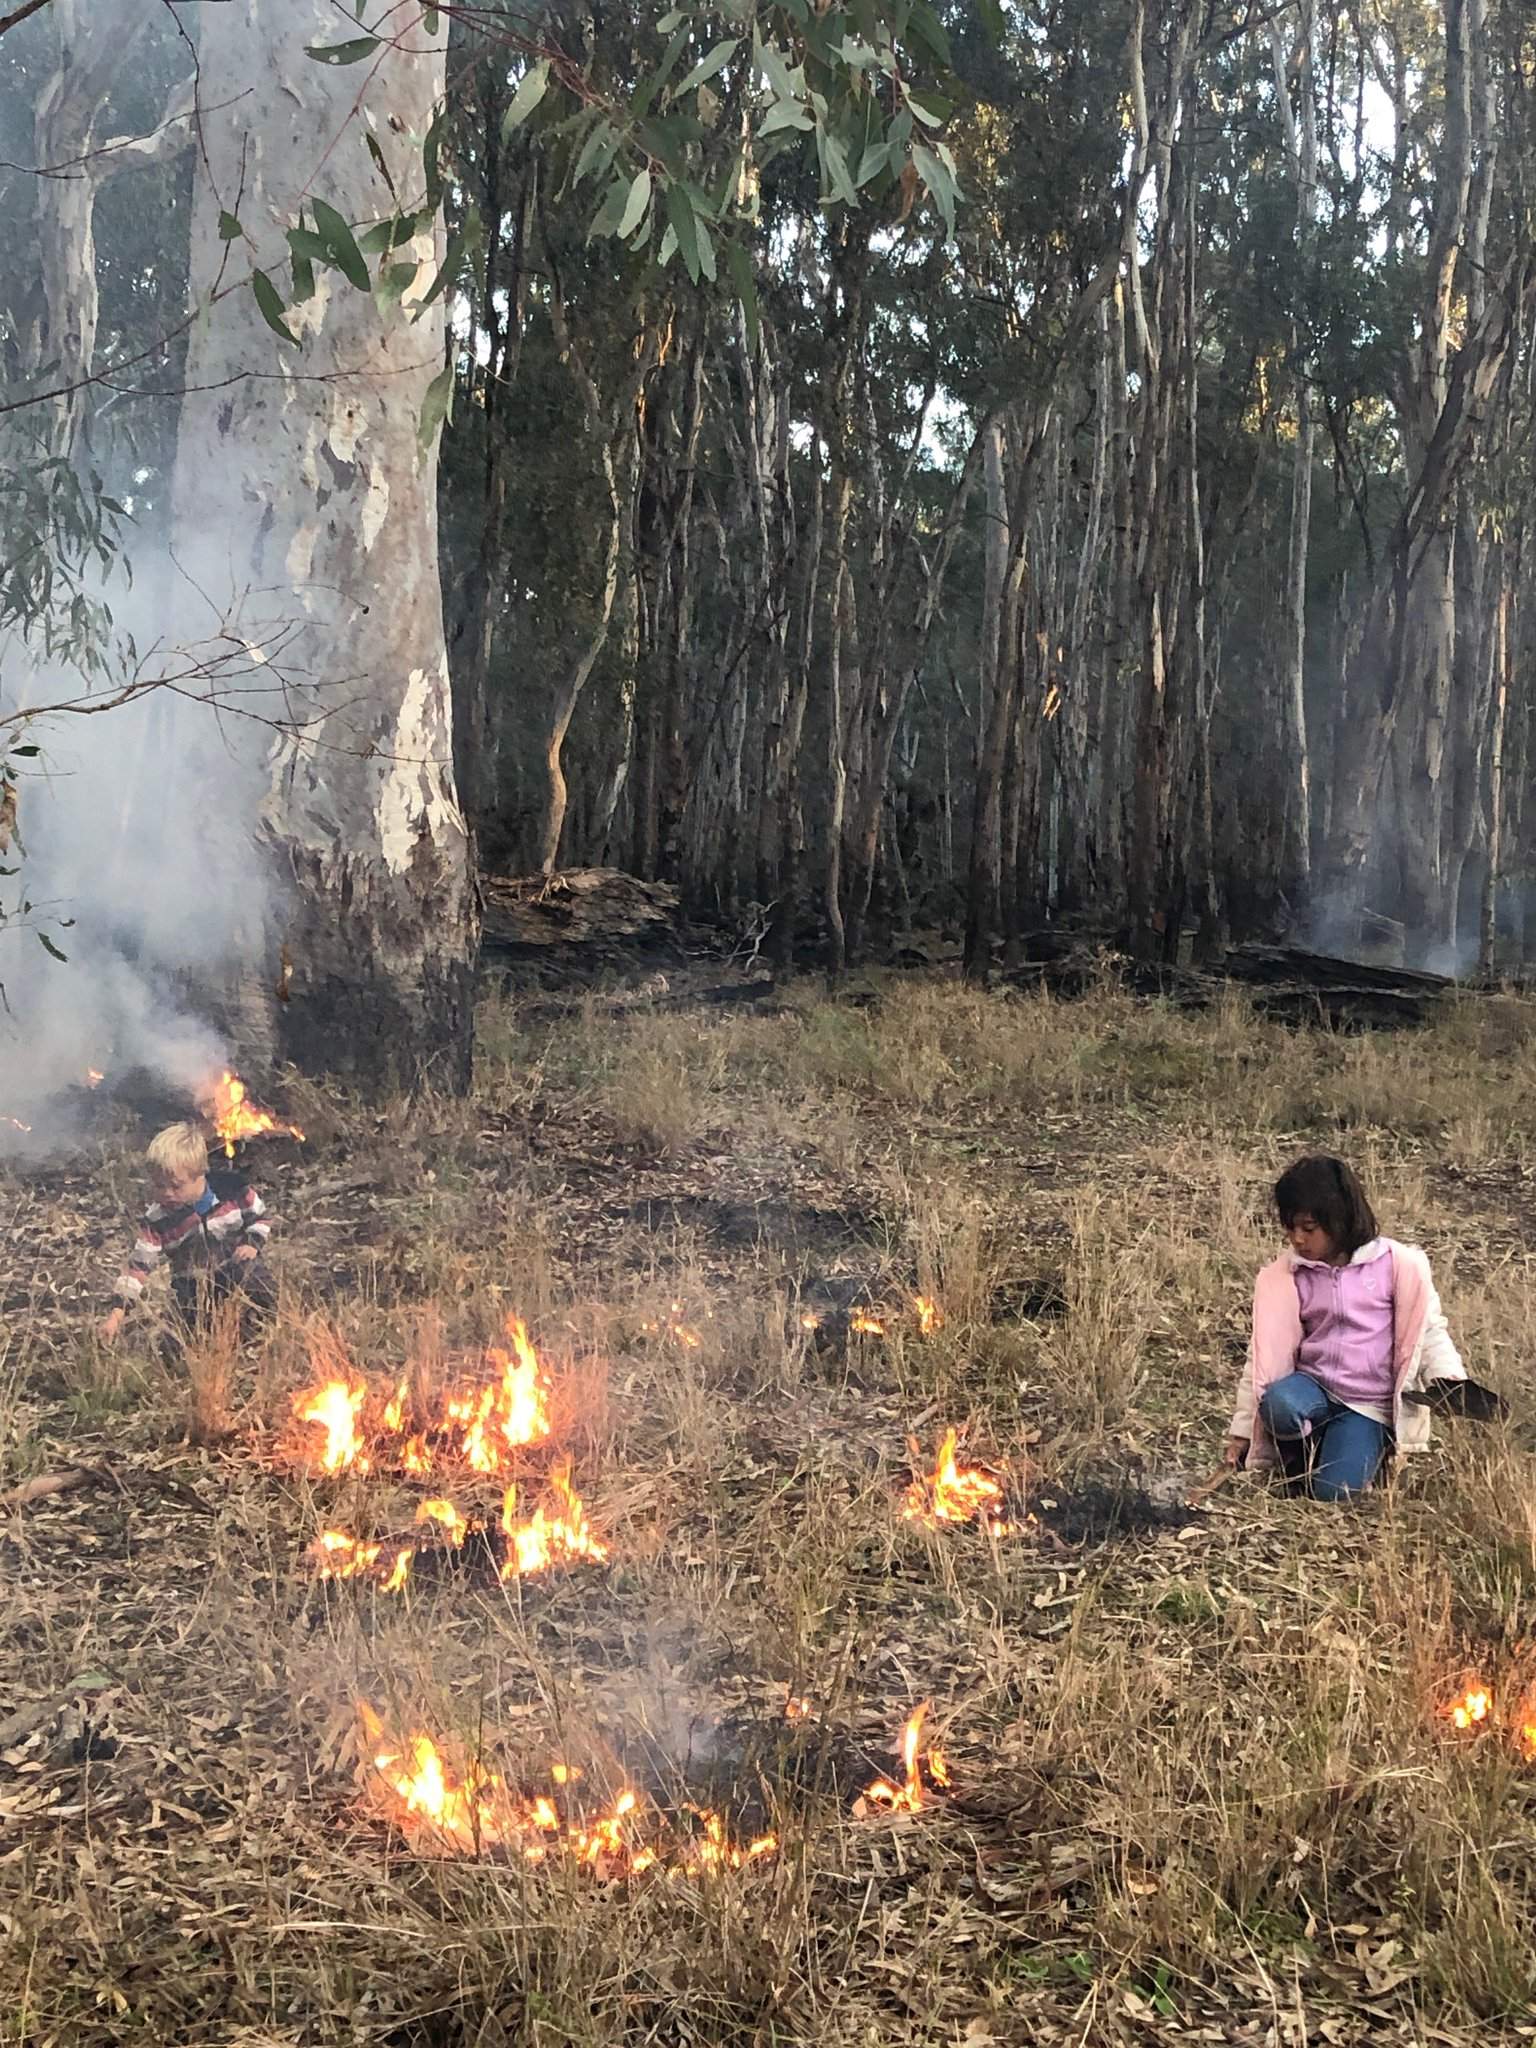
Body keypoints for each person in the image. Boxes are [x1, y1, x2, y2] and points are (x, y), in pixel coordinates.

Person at [1224, 1155, 1467, 1502]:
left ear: (1340, 1220)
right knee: (1279, 1404)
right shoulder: (1288, 1277)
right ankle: (1301, 1458)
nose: (1297, 1239)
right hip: (1312, 1390)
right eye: (1290, 1228)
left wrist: (1449, 1380)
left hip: (1366, 1405)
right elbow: (1260, 1356)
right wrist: (1241, 1432)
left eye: (1308, 1229)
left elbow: (1428, 1333)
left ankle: (1360, 1449)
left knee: (1334, 1494)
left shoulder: (1398, 1267)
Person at [99, 1122, 275, 1354]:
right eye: (159, 1186)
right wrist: (117, 1313)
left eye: (176, 1186)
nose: (167, 1193)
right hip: (192, 1287)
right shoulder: (158, 1219)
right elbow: (138, 1266)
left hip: (234, 1267)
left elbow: (261, 1218)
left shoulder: (232, 1191)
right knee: (176, 1347)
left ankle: (266, 1327)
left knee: (256, 1279)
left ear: (200, 1175)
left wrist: (251, 1244)